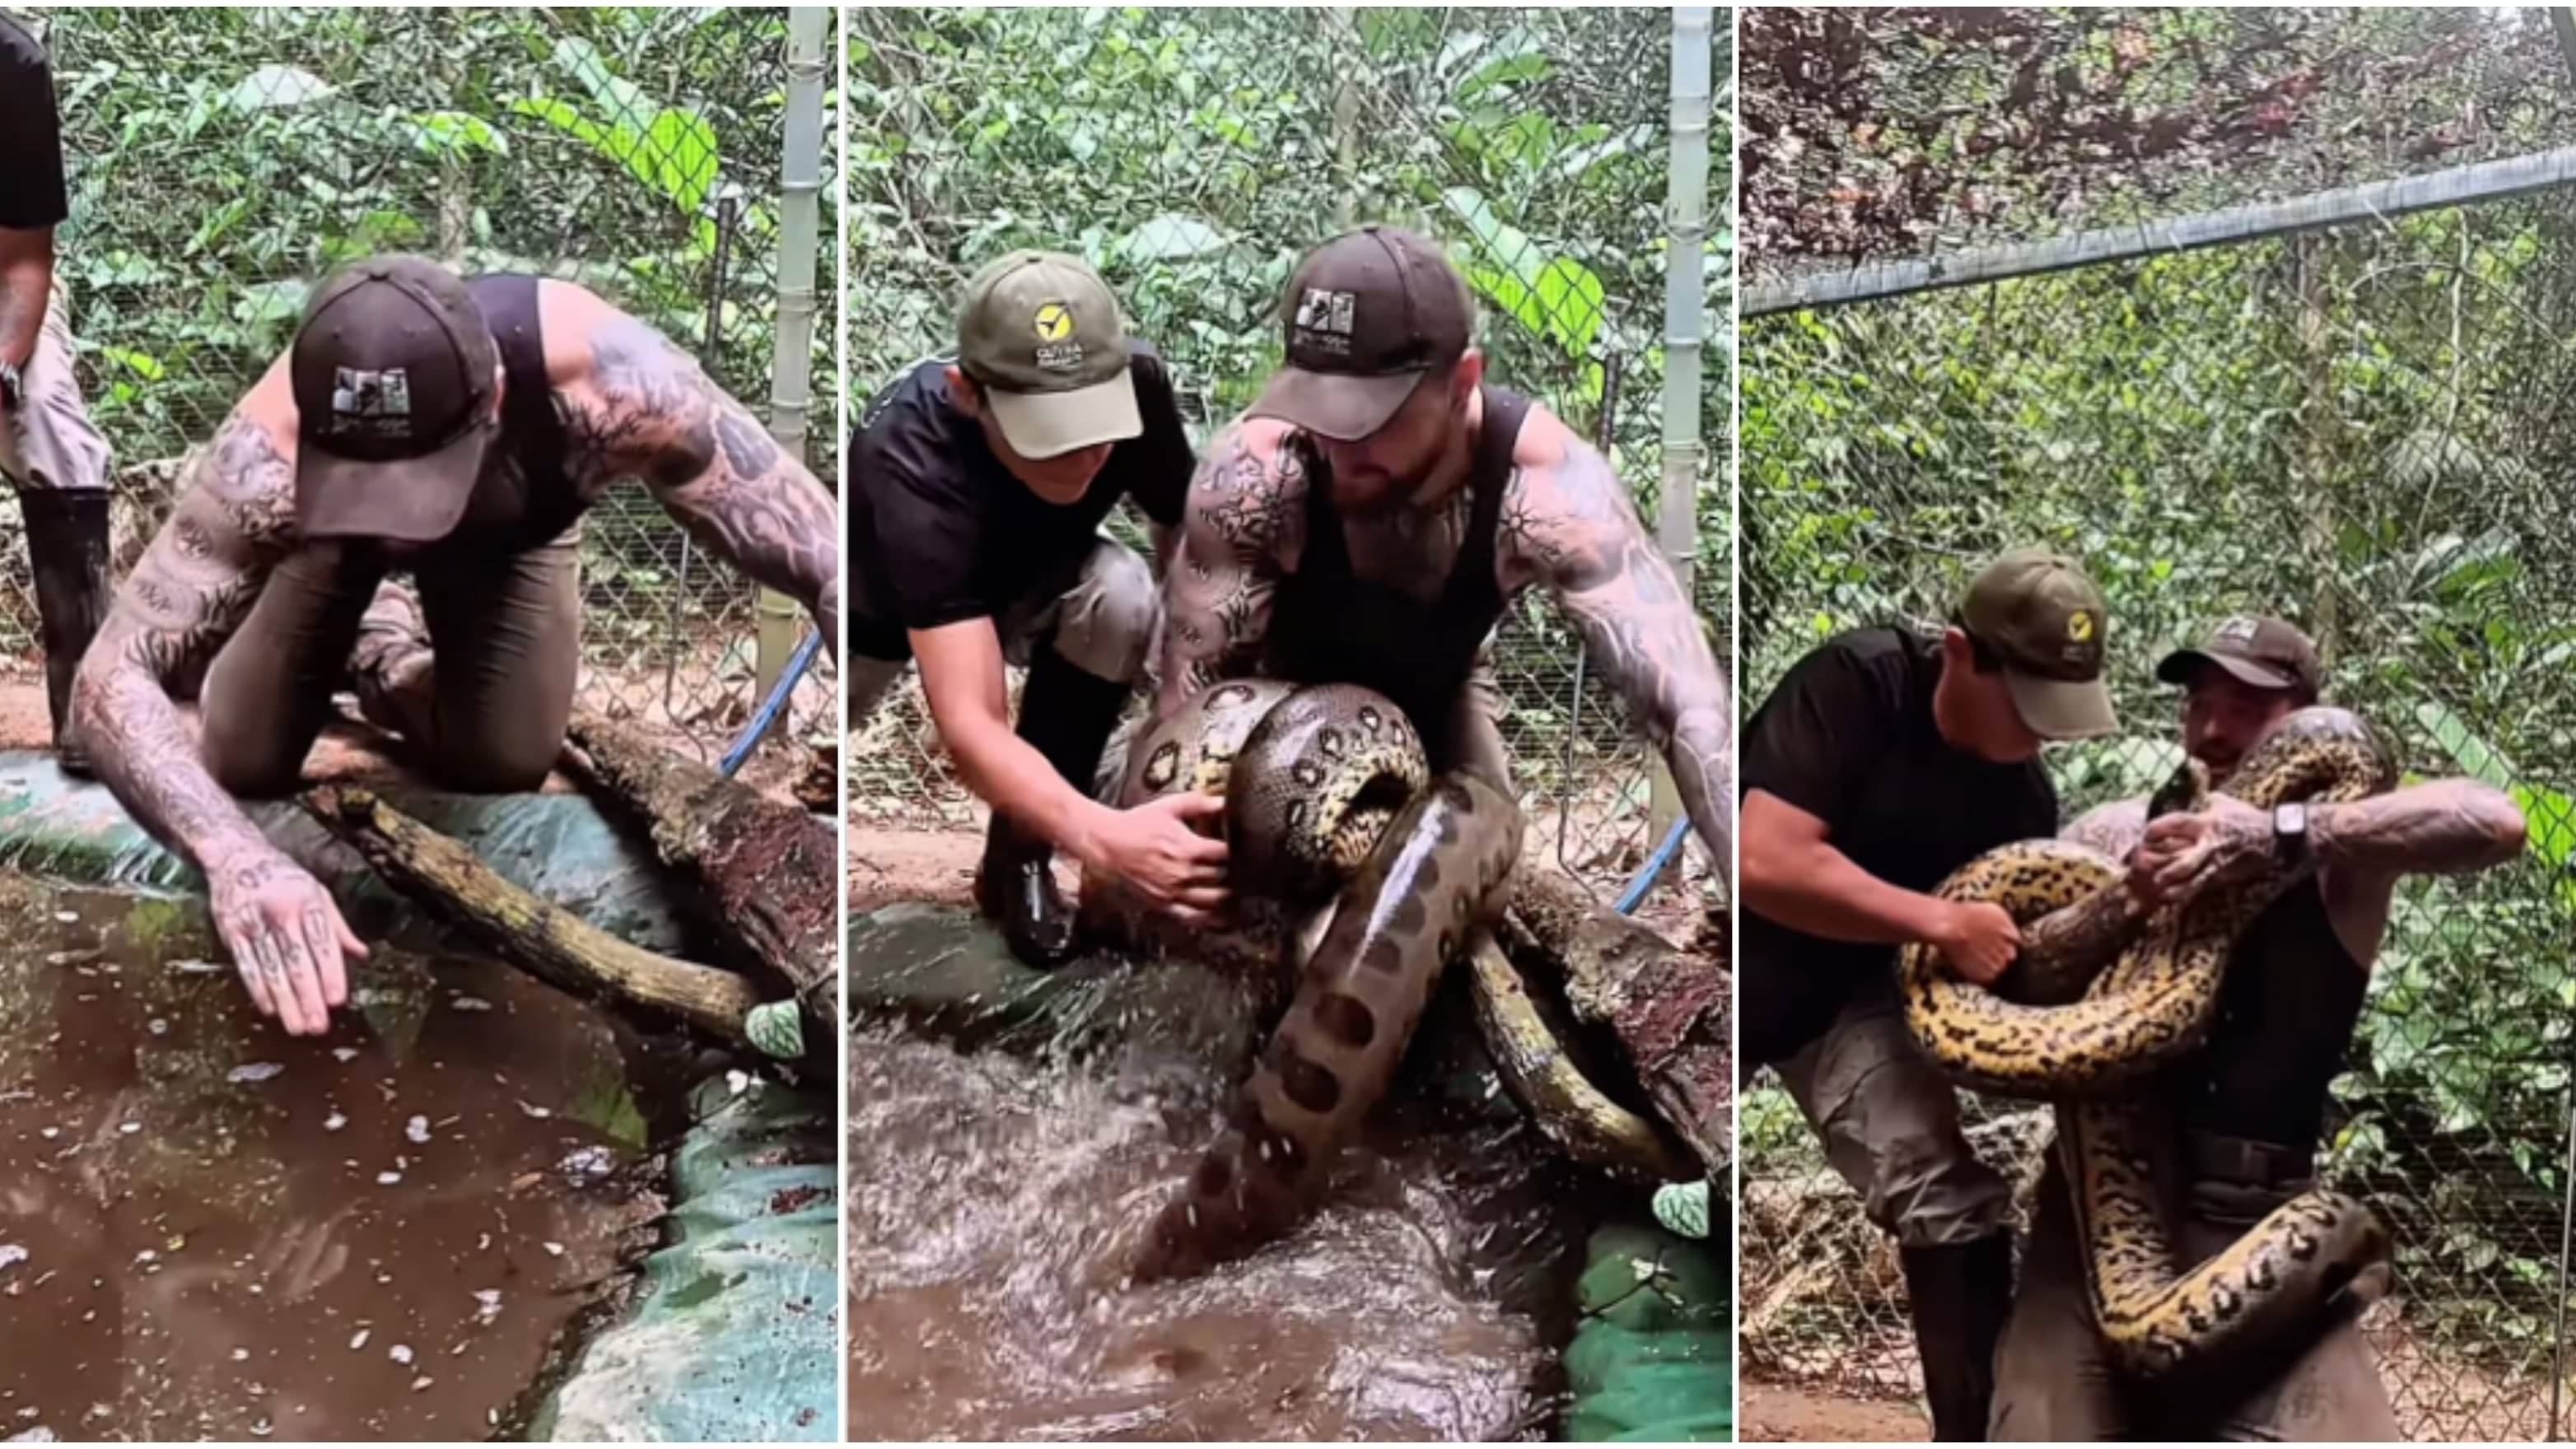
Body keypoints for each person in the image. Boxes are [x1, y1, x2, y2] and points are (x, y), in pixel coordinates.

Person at [72, 254, 841, 1038]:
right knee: (243, 761)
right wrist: (235, 858)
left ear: (495, 398)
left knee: (504, 758)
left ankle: (384, 653)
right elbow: (107, 678)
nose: (396, 519)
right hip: (329, 547)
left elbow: (826, 556)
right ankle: (357, 624)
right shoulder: (268, 448)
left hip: (510, 533)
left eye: (412, 483)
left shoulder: (610, 381)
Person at [1988, 615, 2524, 1440]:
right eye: (2197, 700)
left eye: (2245, 703)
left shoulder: (2345, 850)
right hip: (2090, 1223)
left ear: (2305, 719)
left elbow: (2493, 822)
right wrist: (2120, 901)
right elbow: (2015, 978)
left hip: (2254, 1218)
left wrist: (2272, 832)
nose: (2210, 726)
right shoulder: (2115, 834)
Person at [1155, 223, 1730, 875]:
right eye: (1321, 411)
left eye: (1372, 420)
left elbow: (1691, 711)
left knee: (1482, 868)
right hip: (1268, 713)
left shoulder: (1548, 487)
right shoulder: (1257, 471)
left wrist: (1752, 895)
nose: (1341, 448)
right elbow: (1187, 699)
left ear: (1463, 381)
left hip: (1437, 692)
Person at [1736, 547, 2120, 1441]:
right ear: (1958, 651)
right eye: (2024, 704)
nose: (2040, 732)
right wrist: (1940, 922)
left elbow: (2001, 972)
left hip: (1853, 1006)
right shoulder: (1857, 684)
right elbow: (1765, 859)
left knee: (1941, 1193)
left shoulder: (2022, 802)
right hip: (1739, 964)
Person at [847, 249, 1224, 966]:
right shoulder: (908, 452)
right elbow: (970, 728)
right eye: (1052, 433)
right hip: (883, 607)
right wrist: (1106, 837)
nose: (1085, 456)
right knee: (835, 733)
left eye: (1095, 423)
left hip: (1037, 574)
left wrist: (1188, 667)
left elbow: (1183, 531)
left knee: (1121, 593)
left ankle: (1017, 860)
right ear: (968, 392)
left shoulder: (1140, 387)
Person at [1, 10, 114, 770]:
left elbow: (22, 262)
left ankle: (92, 713)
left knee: (48, 426)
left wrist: (4, 365)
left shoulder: (11, 63)